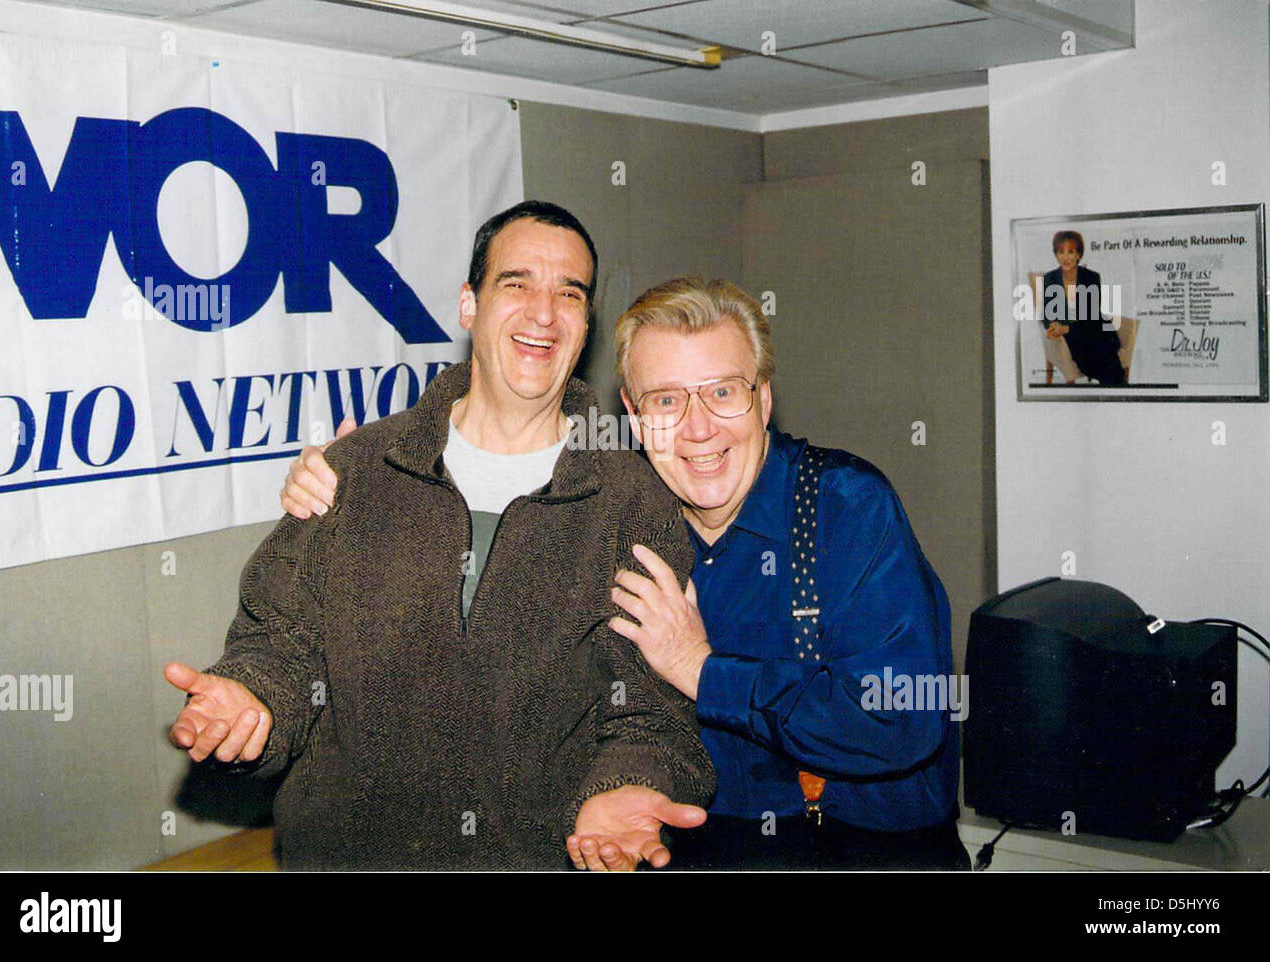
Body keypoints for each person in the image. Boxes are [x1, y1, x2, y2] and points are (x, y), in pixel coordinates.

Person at [283, 276, 969, 871]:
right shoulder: (614, 512)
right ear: (636, 419)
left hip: (858, 846)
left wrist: (701, 670)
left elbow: (899, 721)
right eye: (667, 401)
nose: (698, 429)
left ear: (762, 400)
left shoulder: (846, 508)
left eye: (723, 392)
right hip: (682, 840)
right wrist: (356, 479)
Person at [164, 201, 716, 870]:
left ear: (585, 323)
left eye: (569, 293)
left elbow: (652, 714)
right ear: (468, 305)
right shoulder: (354, 469)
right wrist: (251, 702)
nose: (545, 312)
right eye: (517, 283)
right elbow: (281, 649)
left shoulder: (631, 502)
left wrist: (621, 788)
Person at [1041, 230, 1126, 386]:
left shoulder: (1092, 277)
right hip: (1074, 338)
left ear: (1079, 254)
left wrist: (1065, 328)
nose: (1065, 257)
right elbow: (1047, 313)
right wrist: (1053, 325)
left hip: (1092, 329)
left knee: (1104, 351)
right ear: (1056, 254)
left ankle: (1117, 388)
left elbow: (1092, 316)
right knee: (1098, 359)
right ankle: (1116, 387)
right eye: (1061, 252)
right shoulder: (1050, 278)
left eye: (1071, 252)